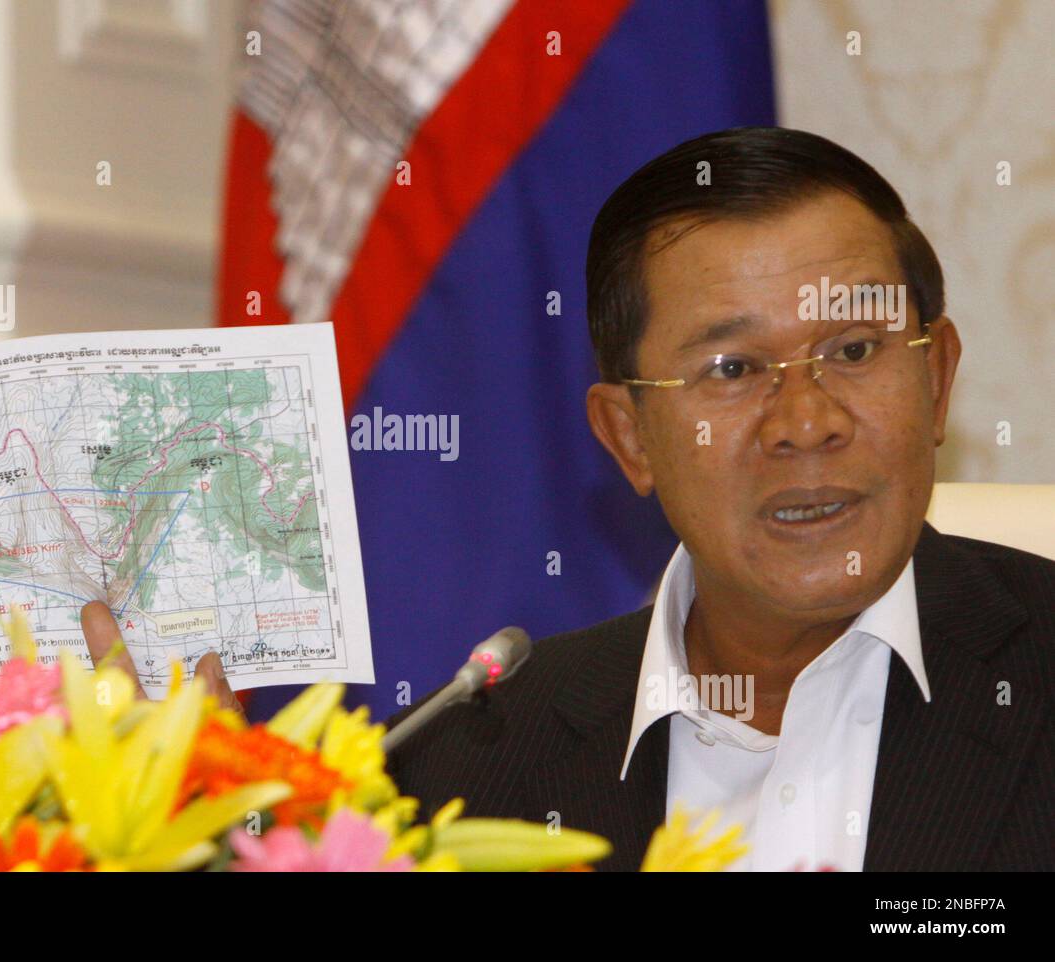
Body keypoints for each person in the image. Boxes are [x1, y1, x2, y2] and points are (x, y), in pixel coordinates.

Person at [83, 127, 1055, 871]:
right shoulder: (457, 763)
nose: (804, 419)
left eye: (852, 350)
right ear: (628, 436)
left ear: (937, 382)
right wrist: (231, 823)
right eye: (730, 366)